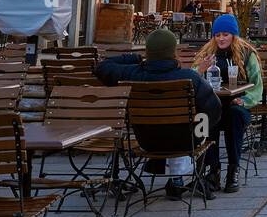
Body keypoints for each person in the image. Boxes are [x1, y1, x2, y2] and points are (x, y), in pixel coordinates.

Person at [95, 28, 221, 201]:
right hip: (185, 141)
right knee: (200, 122)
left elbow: (102, 67)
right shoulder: (189, 77)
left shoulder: (132, 73)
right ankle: (188, 176)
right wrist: (199, 125)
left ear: (148, 52)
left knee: (181, 127)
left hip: (147, 140)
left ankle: (175, 179)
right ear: (173, 52)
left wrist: (135, 57)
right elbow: (214, 109)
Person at [193, 13, 263, 193]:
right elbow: (191, 80)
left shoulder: (247, 54)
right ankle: (212, 170)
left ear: (233, 35)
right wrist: (200, 70)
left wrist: (245, 100)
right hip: (213, 105)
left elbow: (257, 85)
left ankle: (233, 169)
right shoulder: (208, 53)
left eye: (225, 34)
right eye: (217, 35)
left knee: (234, 116)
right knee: (204, 118)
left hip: (237, 104)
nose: (221, 38)